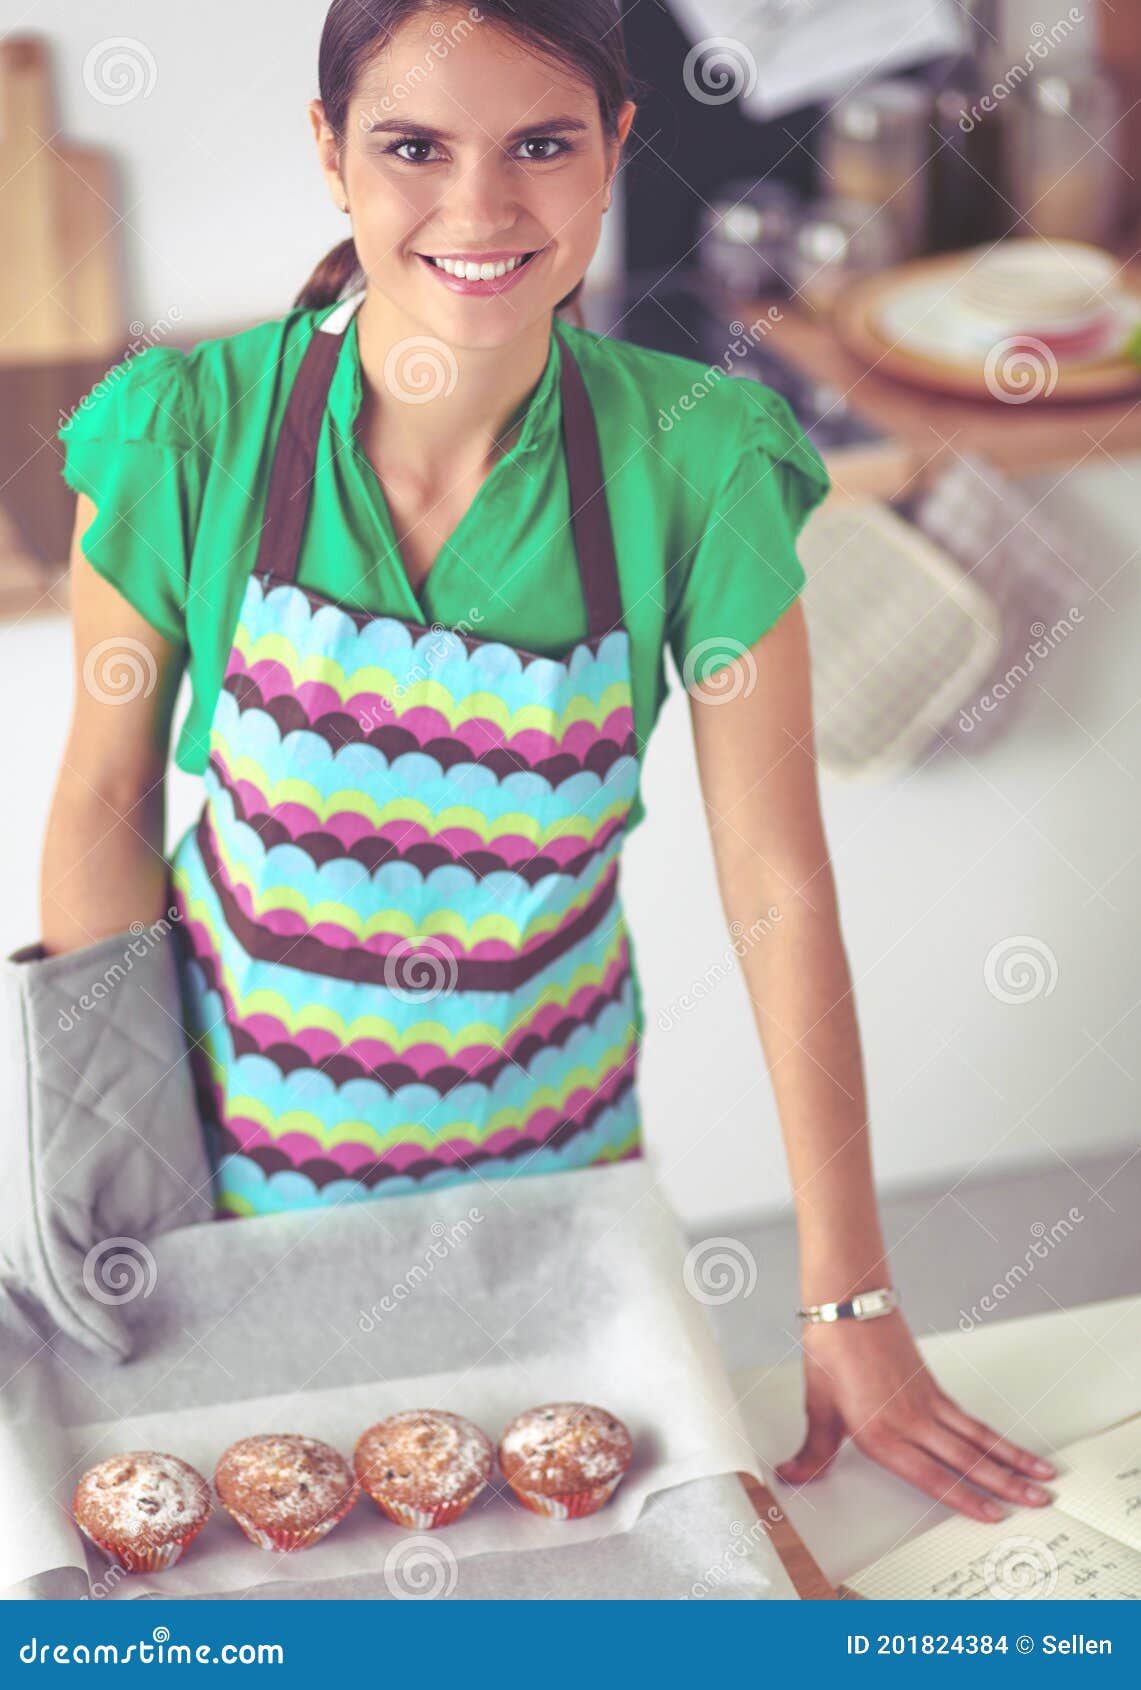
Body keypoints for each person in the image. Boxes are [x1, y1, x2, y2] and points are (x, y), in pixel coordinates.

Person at [43, 0, 1056, 1523]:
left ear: (612, 152)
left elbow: (773, 880)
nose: (478, 208)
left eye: (539, 144)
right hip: (225, 1194)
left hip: (558, 1186)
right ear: (329, 154)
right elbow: (106, 806)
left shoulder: (701, 456)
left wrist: (844, 1299)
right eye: (410, 148)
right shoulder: (185, 436)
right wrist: (107, 1199)